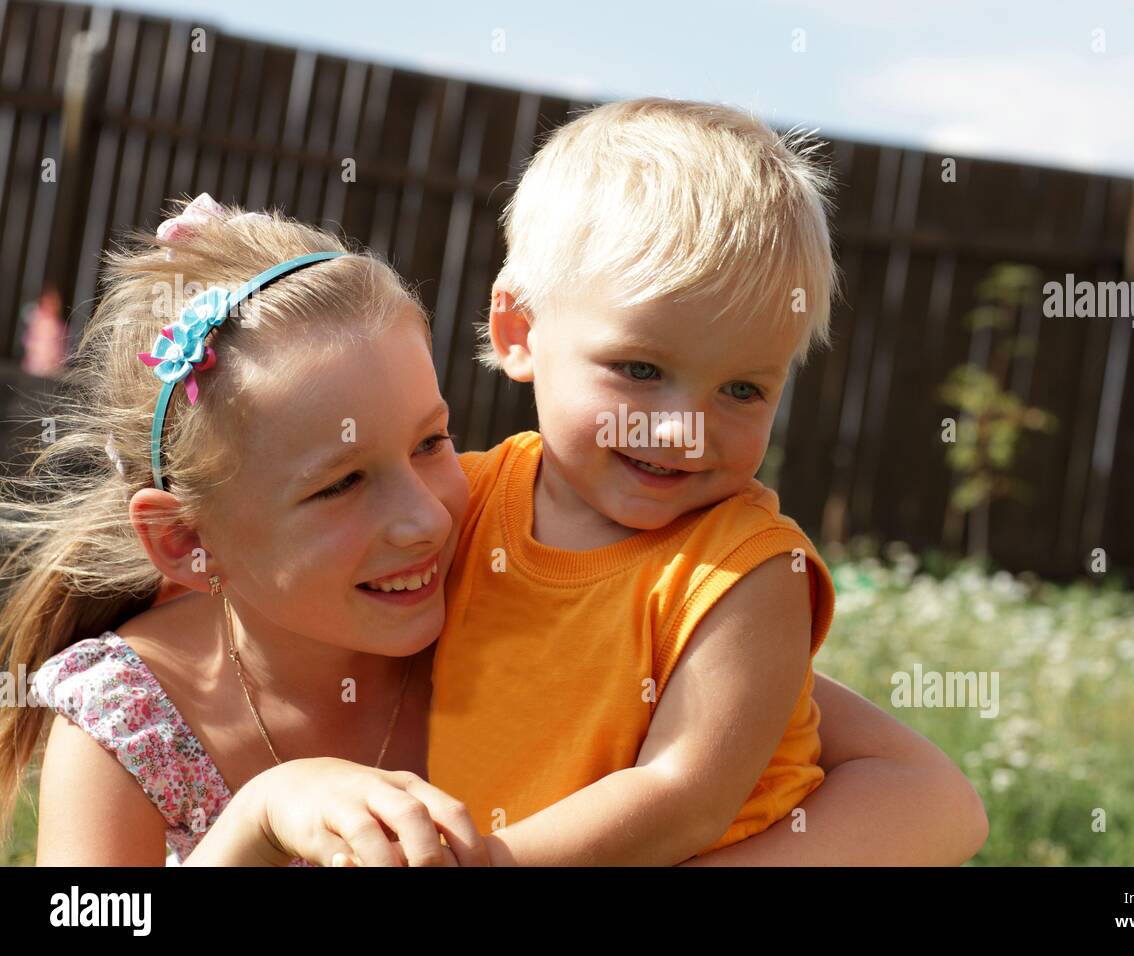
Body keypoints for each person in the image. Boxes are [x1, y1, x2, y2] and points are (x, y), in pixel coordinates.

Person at [0, 191, 984, 867]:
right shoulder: (131, 715)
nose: (423, 513)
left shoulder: (520, 575)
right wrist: (259, 821)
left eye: (433, 441)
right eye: (340, 483)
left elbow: (934, 798)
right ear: (185, 542)